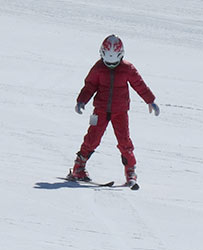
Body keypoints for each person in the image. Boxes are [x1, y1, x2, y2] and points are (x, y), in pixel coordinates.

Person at [68, 34, 159, 187]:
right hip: (100, 111)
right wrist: (81, 100)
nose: (111, 65)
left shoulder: (127, 68)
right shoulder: (98, 68)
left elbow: (139, 84)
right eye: (108, 62)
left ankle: (130, 171)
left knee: (124, 141)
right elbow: (89, 86)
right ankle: (79, 167)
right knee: (92, 138)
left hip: (120, 112)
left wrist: (150, 100)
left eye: (115, 63)